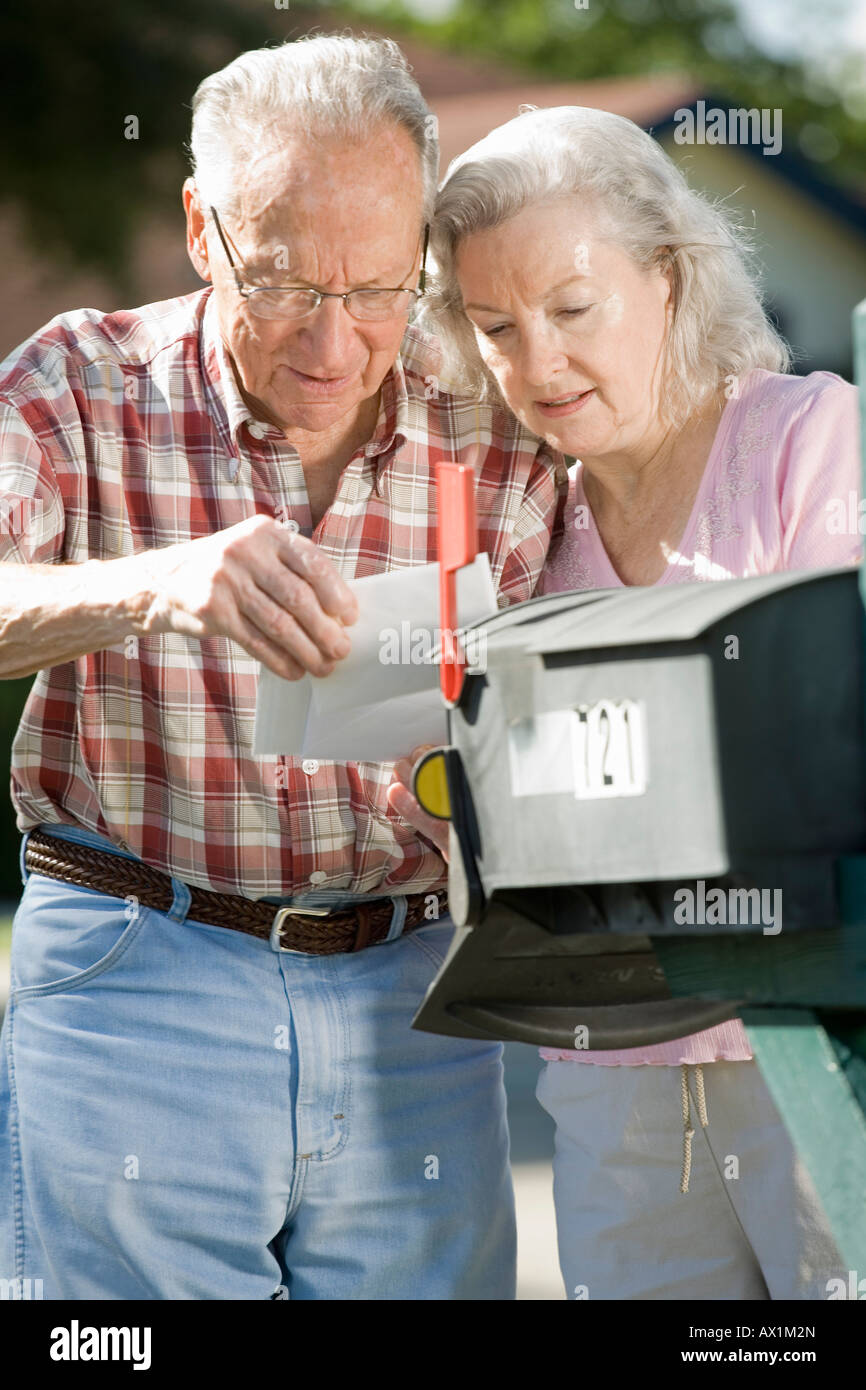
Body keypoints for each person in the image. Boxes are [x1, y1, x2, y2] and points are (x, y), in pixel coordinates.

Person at [0, 37, 566, 1300]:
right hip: (136, 978)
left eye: (378, 287)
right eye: (286, 280)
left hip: (412, 1005)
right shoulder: (84, 386)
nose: (333, 340)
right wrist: (155, 585)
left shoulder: (494, 428)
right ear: (202, 229)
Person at [390, 105, 860, 1300]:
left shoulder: (810, 443)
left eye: (570, 307)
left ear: (665, 276)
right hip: (611, 1073)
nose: (536, 363)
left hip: (810, 1050)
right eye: (493, 326)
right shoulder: (517, 532)